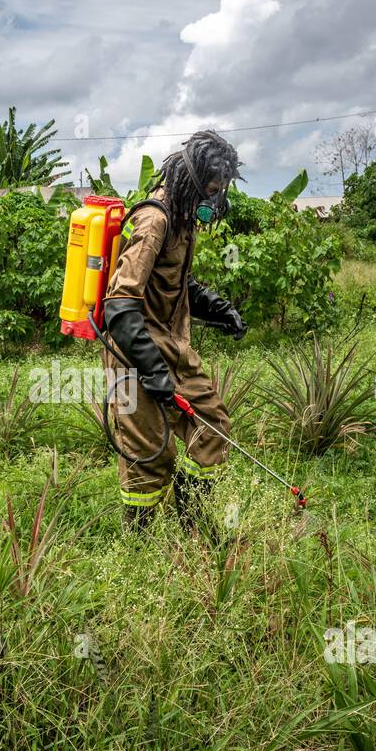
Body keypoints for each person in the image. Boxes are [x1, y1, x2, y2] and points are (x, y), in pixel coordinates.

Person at [100, 130, 248, 531]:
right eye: (213, 189)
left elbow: (178, 283)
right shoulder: (153, 221)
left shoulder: (182, 219)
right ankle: (139, 545)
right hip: (133, 351)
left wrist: (220, 310)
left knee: (212, 425)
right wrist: (152, 371)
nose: (217, 199)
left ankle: (192, 518)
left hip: (169, 344)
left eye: (221, 189)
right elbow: (119, 305)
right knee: (148, 454)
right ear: (192, 180)